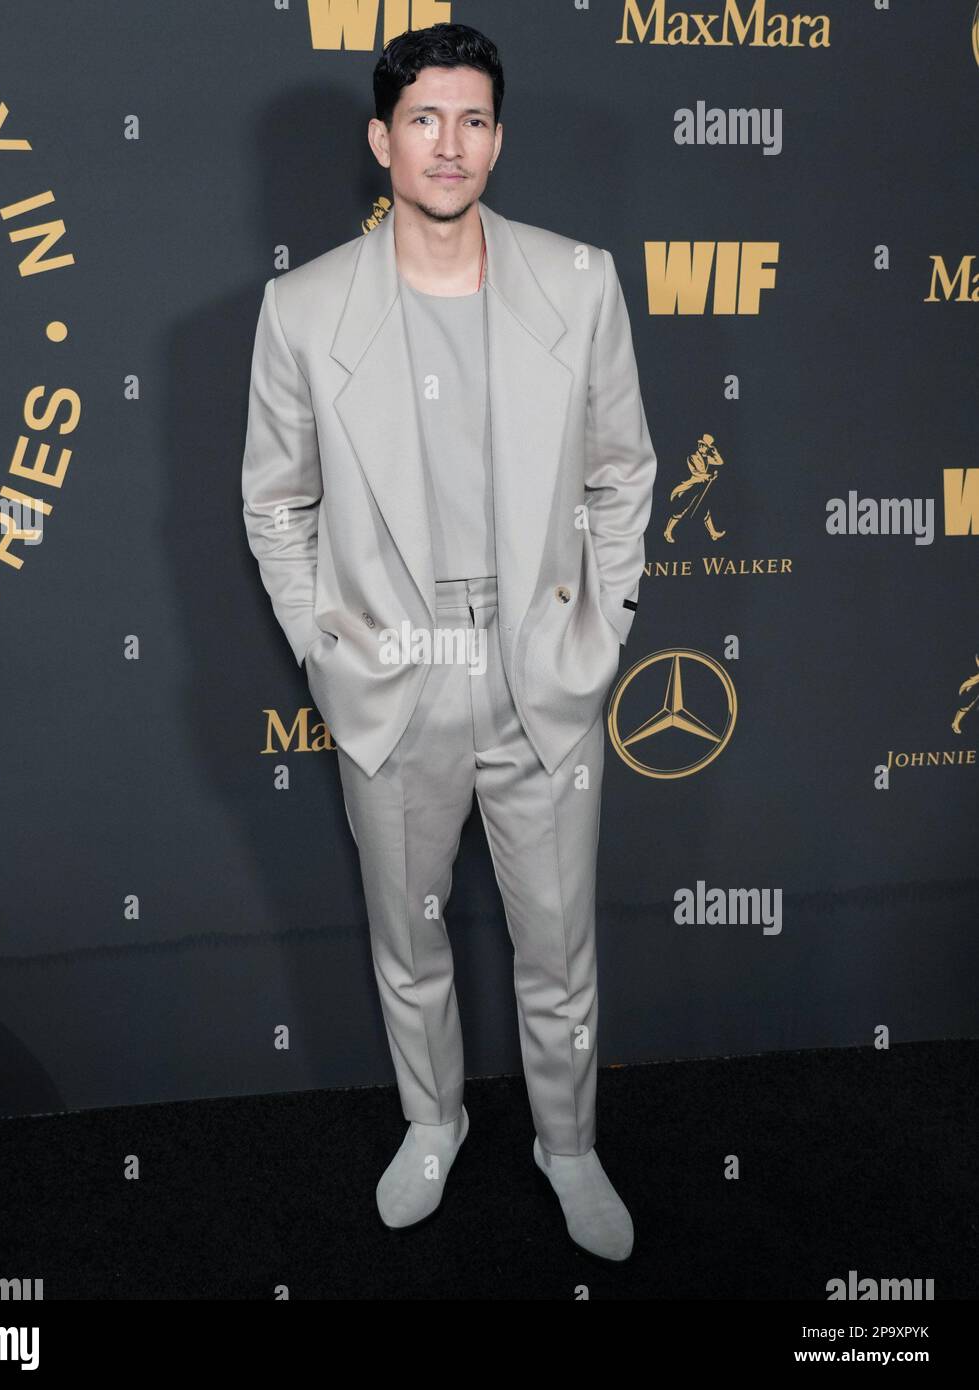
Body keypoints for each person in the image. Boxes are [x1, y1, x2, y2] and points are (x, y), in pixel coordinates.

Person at [241, 22, 657, 1263]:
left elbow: (622, 475)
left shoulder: (576, 284)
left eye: (472, 119)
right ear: (381, 139)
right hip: (395, 675)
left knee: (558, 943)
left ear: (496, 138)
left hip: (542, 670)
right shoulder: (303, 308)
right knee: (405, 940)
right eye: (424, 118)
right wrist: (332, 650)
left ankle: (566, 1142)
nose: (448, 143)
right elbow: (276, 502)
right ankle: (433, 1123)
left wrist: (602, 628)